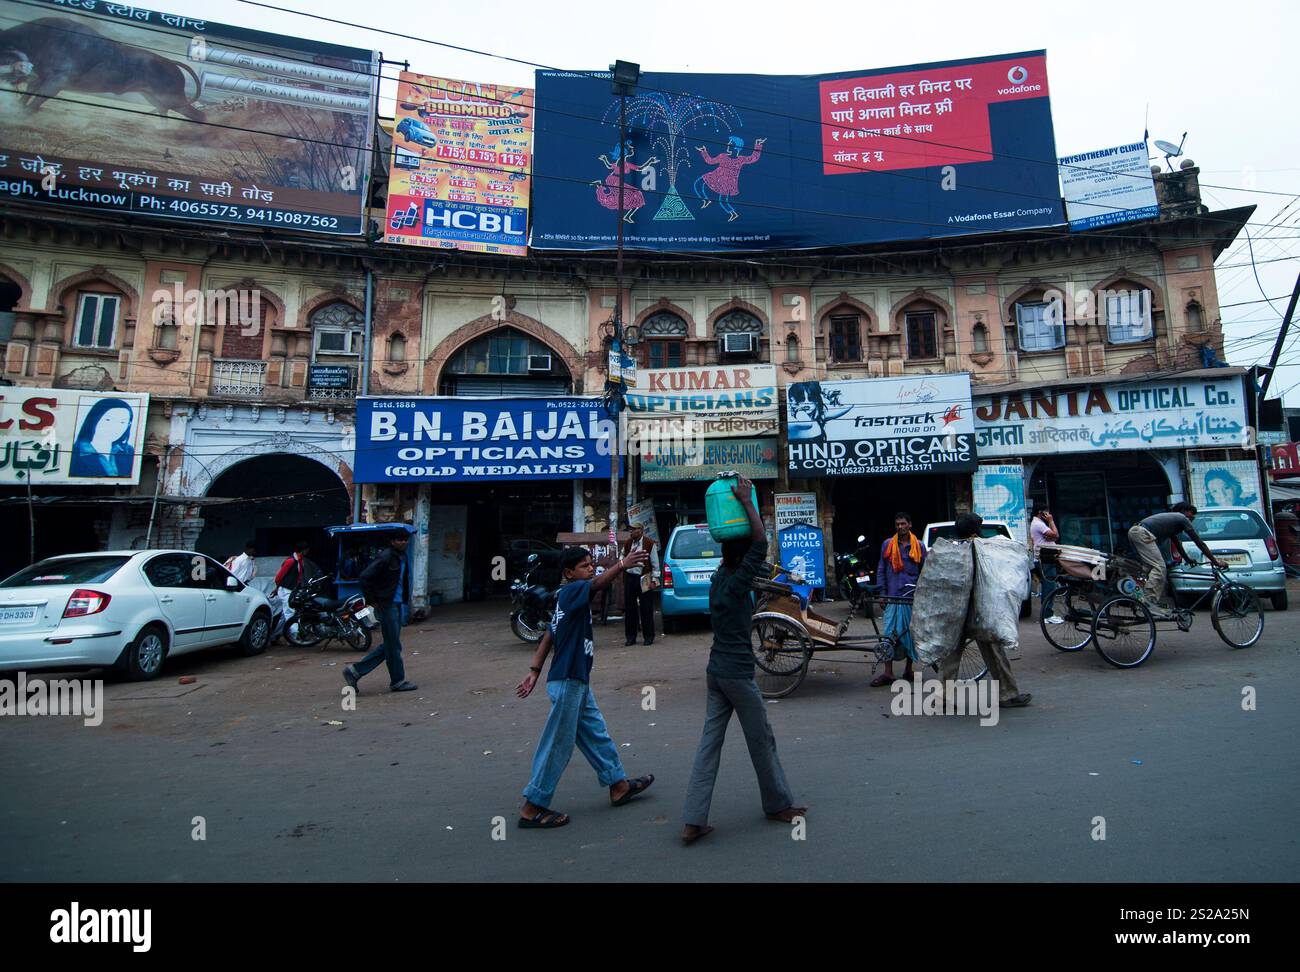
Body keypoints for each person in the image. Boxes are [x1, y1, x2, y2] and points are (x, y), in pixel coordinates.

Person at [681, 475, 806, 845]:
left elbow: (752, 557)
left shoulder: (720, 580)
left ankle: (693, 820)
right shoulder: (735, 582)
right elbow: (761, 544)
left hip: (715, 673)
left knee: (708, 746)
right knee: (761, 740)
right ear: (743, 559)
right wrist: (747, 501)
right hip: (736, 675)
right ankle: (778, 805)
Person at [513, 544, 655, 829]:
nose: (591, 569)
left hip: (574, 680)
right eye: (585, 566)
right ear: (568, 573)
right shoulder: (572, 591)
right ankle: (532, 807)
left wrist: (533, 671)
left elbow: (548, 636)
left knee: (595, 732)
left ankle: (618, 784)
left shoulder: (566, 601)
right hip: (568, 681)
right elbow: (598, 584)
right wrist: (622, 565)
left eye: (592, 564)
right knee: (558, 744)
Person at [937, 512, 1032, 708]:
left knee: (951, 655)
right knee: (994, 651)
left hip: (956, 611)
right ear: (975, 529)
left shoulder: (951, 550)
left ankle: (943, 698)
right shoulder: (983, 549)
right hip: (980, 611)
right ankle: (1008, 694)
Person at [344, 533, 416, 693]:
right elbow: (364, 577)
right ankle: (396, 680)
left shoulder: (401, 556)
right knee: (393, 645)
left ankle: (355, 672)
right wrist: (372, 601)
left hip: (396, 604)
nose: (403, 542)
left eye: (405, 540)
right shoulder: (385, 557)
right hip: (386, 605)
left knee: (391, 644)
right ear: (392, 541)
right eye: (399, 539)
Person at [1128, 503, 1226, 615]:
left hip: (1137, 532)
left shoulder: (1172, 521)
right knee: (1159, 567)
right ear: (1183, 511)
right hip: (1141, 533)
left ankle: (1136, 598)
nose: (1192, 519)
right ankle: (1148, 603)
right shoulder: (1181, 518)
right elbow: (1199, 542)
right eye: (1191, 515)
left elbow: (1177, 543)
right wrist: (1215, 561)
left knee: (1148, 569)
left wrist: (1187, 559)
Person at [870, 512, 926, 687]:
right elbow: (881, 569)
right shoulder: (888, 545)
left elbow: (925, 572)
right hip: (891, 596)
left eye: (903, 524)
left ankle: (908, 670)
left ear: (910, 525)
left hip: (911, 597)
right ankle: (888, 672)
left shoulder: (920, 546)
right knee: (888, 635)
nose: (900, 527)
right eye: (897, 524)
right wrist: (881, 592)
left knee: (910, 634)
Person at [693, 135, 766, 221]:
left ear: (736, 147)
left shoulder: (740, 159)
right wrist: (704, 151)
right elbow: (710, 161)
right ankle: (706, 200)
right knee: (698, 183)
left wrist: (758, 145)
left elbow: (753, 158)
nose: (728, 144)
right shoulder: (723, 156)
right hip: (715, 176)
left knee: (722, 201)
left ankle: (733, 213)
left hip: (728, 182)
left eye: (730, 143)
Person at [69, 398, 135, 478]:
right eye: (108, 420)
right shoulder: (74, 452)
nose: (115, 427)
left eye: (122, 422)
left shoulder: (129, 451)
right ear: (94, 419)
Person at [622, 523, 659, 646]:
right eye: (630, 530)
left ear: (640, 530)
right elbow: (621, 557)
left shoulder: (649, 543)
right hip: (630, 577)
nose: (631, 532)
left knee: (646, 608)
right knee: (630, 608)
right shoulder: (628, 543)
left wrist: (655, 580)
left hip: (645, 577)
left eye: (633, 530)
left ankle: (648, 636)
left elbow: (655, 563)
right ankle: (630, 637)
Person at [1029, 504, 1062, 624]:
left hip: (1045, 559)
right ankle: (1047, 615)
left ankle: (1047, 613)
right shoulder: (1038, 524)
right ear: (1040, 512)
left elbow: (1051, 538)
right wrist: (1051, 521)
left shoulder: (1039, 524)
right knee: (1049, 586)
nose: (1048, 514)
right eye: (1046, 512)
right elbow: (1056, 535)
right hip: (1045, 560)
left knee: (1048, 586)